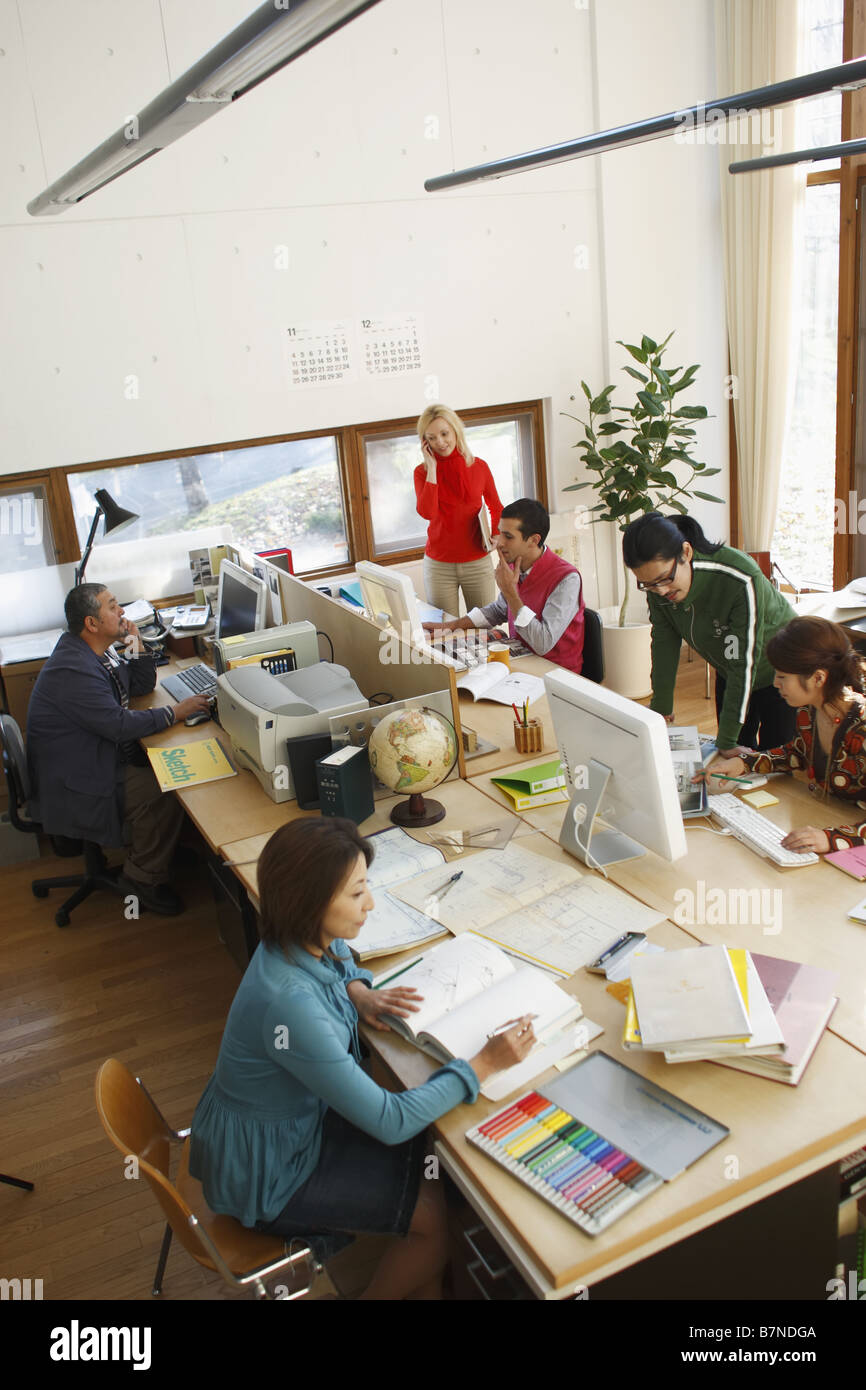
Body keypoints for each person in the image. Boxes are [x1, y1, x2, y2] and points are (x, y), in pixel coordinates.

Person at [188, 817, 534, 1301]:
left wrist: (357, 991)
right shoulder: (290, 1005)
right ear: (310, 903)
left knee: (431, 1186)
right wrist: (483, 1065)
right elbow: (391, 1122)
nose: (370, 903)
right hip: (270, 1173)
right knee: (431, 1222)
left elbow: (341, 958)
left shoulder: (295, 940)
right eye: (356, 894)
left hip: (286, 1128)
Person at [26, 583, 211, 915]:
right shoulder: (74, 669)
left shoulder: (96, 651)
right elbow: (118, 725)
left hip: (89, 759)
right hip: (75, 782)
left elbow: (140, 685)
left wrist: (136, 643)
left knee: (162, 765)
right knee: (163, 786)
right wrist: (174, 712)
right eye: (113, 607)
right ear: (91, 624)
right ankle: (141, 878)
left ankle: (158, 849)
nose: (123, 611)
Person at [622, 512, 797, 751]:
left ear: (686, 552)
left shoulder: (738, 577)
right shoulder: (658, 589)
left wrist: (726, 742)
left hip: (780, 674)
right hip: (729, 668)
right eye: (648, 584)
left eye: (666, 578)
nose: (661, 591)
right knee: (733, 756)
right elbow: (664, 644)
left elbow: (742, 663)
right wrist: (661, 710)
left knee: (775, 758)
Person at [705, 615, 866, 854]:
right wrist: (745, 762)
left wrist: (831, 839)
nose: (775, 683)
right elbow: (796, 753)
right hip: (828, 814)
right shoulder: (809, 709)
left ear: (818, 678)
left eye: (782, 676)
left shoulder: (862, 727)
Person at [422, 497, 585, 673]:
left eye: (508, 537)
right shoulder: (515, 564)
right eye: (500, 533)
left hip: (555, 673)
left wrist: (510, 592)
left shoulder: (567, 579)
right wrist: (451, 626)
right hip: (522, 659)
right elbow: (498, 610)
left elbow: (542, 643)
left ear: (534, 540)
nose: (499, 543)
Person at [414, 404, 502, 614]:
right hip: (439, 566)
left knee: (483, 629)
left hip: (477, 563)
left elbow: (496, 506)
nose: (440, 442)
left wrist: (496, 534)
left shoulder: (479, 466)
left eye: (444, 434)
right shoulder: (421, 472)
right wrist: (433, 469)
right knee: (444, 632)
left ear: (455, 431)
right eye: (432, 437)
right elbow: (428, 513)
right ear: (424, 441)